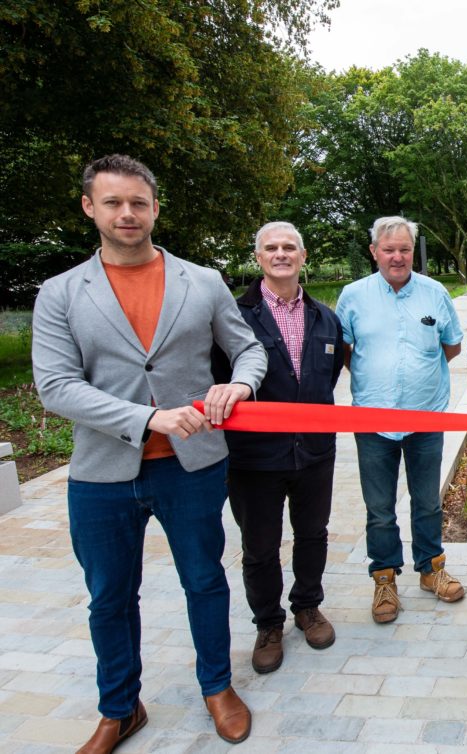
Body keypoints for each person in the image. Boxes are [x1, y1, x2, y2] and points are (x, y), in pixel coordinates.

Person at [31, 154, 266, 752]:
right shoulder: (60, 293)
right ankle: (120, 708)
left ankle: (217, 686)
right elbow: (56, 387)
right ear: (90, 207)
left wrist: (240, 384)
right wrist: (148, 418)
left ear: (156, 208)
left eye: (138, 202)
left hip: (193, 468)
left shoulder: (202, 281)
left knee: (204, 581)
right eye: (113, 202)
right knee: (110, 597)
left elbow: (248, 349)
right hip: (102, 473)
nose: (127, 213)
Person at [211, 222, 345, 674]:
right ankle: (268, 623)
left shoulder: (325, 318)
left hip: (314, 451)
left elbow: (327, 379)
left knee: (313, 533)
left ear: (303, 257)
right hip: (254, 457)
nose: (281, 254)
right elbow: (220, 379)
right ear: (259, 257)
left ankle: (307, 606)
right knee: (260, 545)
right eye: (272, 248)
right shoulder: (233, 316)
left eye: (290, 247)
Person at [335, 216, 465, 624]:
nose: (397, 257)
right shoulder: (353, 296)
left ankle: (431, 569)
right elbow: (345, 350)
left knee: (427, 501)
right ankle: (385, 578)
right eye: (388, 249)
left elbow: (452, 345)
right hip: (372, 421)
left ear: (413, 252)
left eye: (404, 249)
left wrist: (417, 377)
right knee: (379, 508)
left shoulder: (434, 292)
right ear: (374, 251)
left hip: (425, 416)